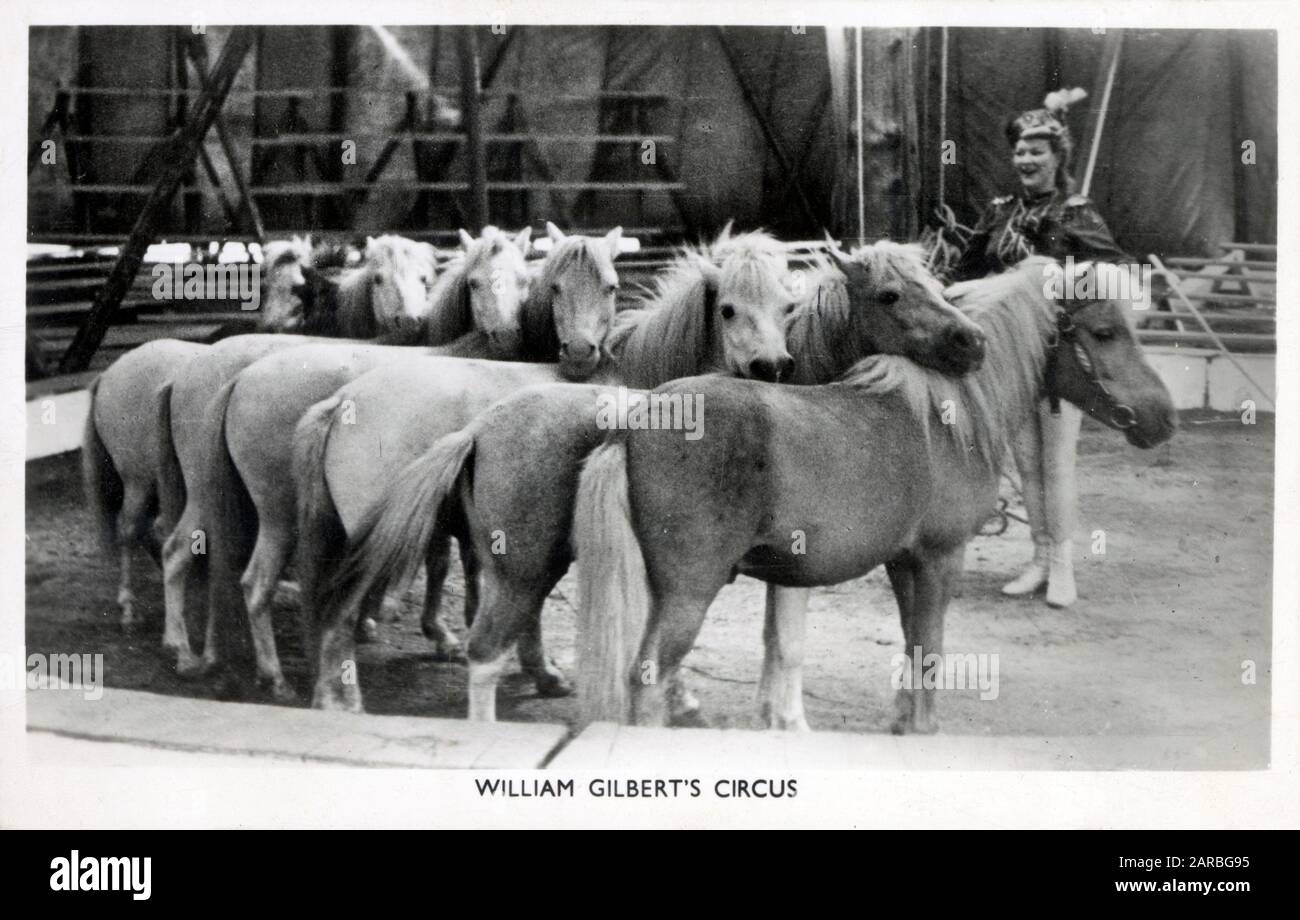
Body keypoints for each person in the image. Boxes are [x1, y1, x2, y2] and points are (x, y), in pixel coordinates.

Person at [949, 88, 1134, 608]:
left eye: (1036, 151)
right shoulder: (999, 210)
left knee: (1059, 462)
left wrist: (1058, 272)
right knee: (1026, 462)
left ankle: (1063, 566)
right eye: (1019, 151)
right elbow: (964, 271)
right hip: (1008, 356)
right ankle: (1036, 556)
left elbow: (1117, 271)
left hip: (1056, 353)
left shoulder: (1076, 211)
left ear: (1058, 158)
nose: (1025, 160)